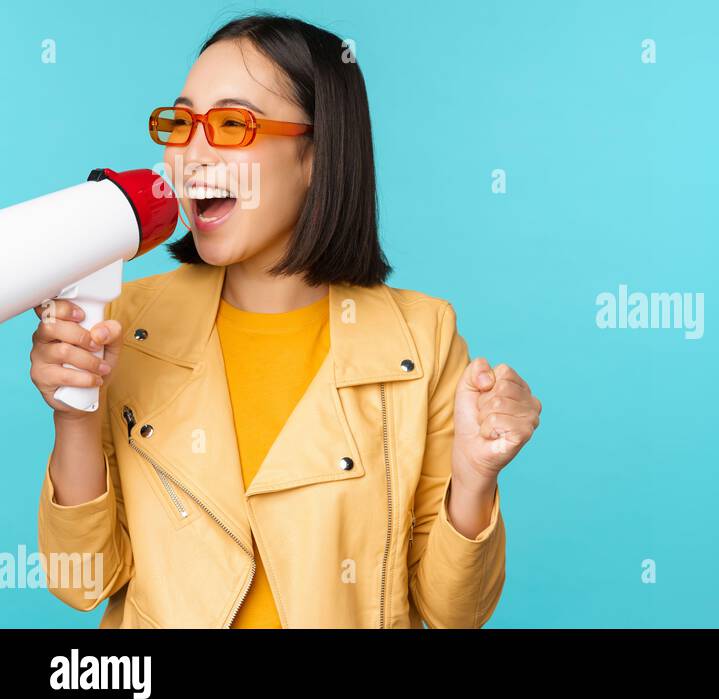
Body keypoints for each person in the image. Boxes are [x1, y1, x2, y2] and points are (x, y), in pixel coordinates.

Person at [27, 13, 540, 628]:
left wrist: (474, 478)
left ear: (318, 156)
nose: (190, 152)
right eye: (182, 122)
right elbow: (82, 581)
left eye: (230, 124)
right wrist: (74, 411)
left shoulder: (421, 340)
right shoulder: (127, 326)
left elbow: (453, 612)